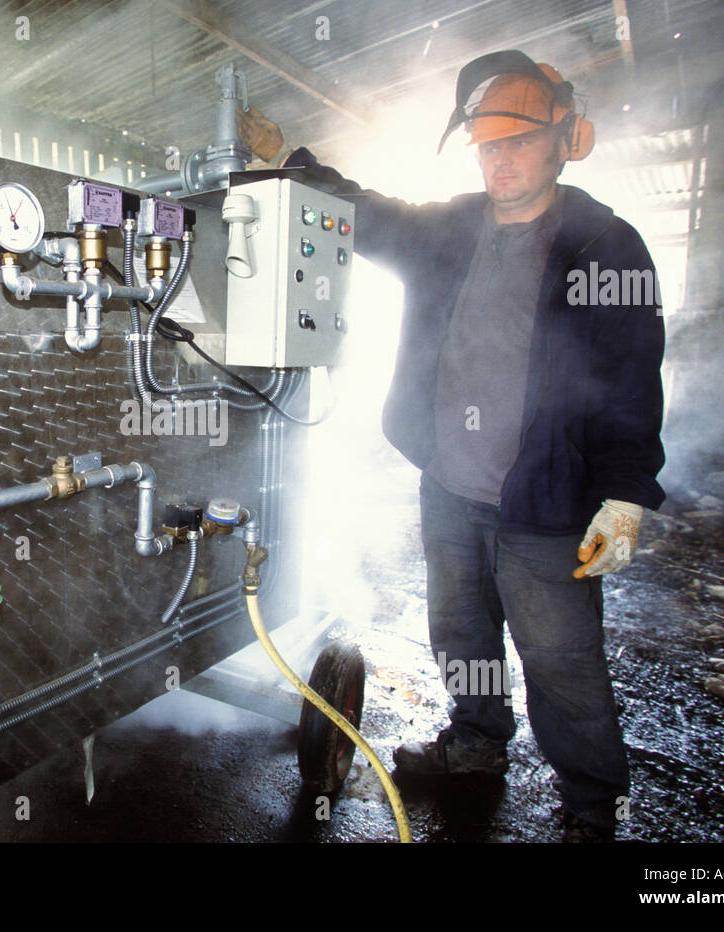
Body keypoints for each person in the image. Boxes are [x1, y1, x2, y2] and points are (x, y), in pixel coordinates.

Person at [237, 50, 665, 842]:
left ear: (566, 140)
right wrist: (285, 162)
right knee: (462, 634)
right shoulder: (453, 229)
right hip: (451, 489)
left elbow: (633, 380)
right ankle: (475, 745)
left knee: (562, 664)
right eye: (487, 144)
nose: (500, 158)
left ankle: (593, 807)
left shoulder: (606, 245)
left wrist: (626, 495)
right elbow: (367, 211)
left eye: (519, 141)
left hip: (549, 503)